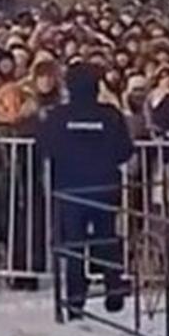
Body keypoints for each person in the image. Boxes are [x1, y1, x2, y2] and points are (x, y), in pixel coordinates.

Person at [36, 64, 133, 318]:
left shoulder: (58, 116)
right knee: (107, 236)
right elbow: (125, 149)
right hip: (105, 186)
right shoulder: (110, 115)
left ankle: (75, 299)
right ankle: (113, 284)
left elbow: (45, 148)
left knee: (74, 246)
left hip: (70, 189)